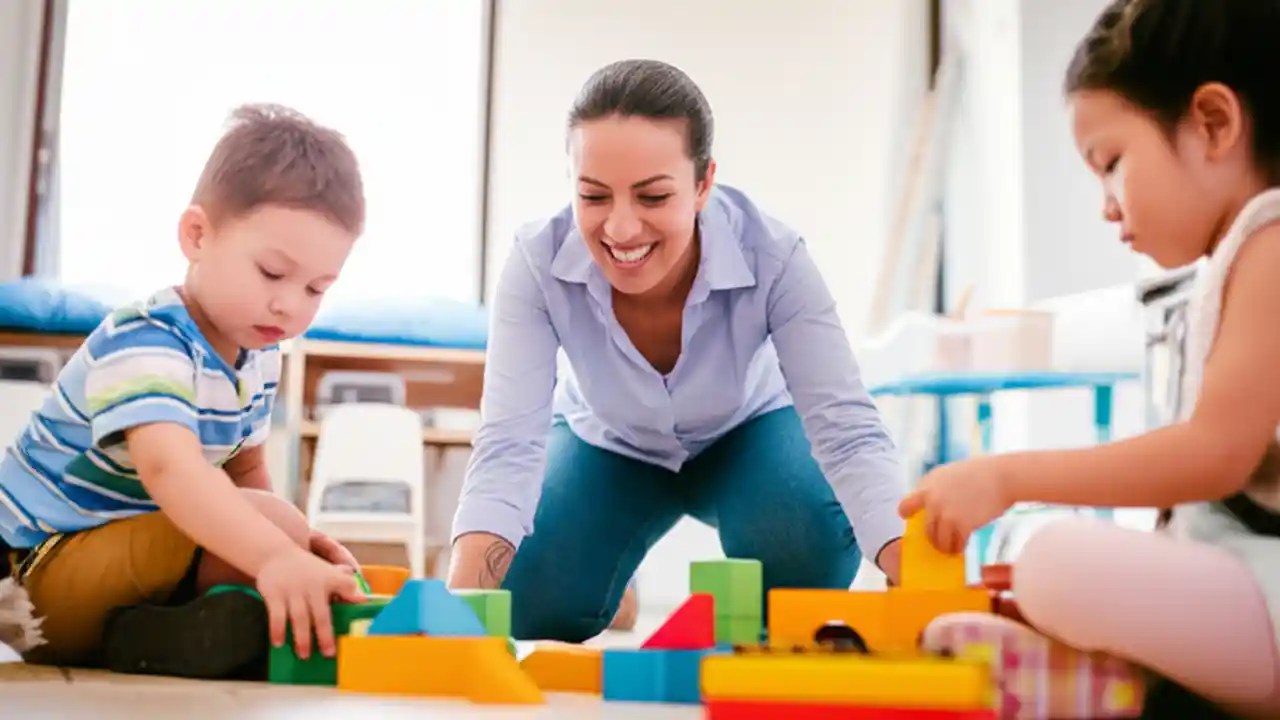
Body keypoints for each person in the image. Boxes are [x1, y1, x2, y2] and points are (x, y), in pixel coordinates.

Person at [902, 1, 1280, 717]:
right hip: (1250, 595)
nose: (1107, 206)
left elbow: (1215, 455)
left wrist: (1009, 475)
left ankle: (1122, 682)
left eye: (1112, 164)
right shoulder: (1229, 262)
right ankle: (1108, 672)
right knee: (1043, 568)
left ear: (1213, 124)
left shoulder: (1273, 241)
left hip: (1268, 603)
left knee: (1054, 559)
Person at [447, 58, 907, 641]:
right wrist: (459, 612)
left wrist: (915, 577)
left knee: (798, 554)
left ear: (703, 184)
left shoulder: (777, 256)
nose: (620, 228)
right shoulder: (536, 263)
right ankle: (611, 586)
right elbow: (509, 442)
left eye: (652, 197)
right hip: (608, 441)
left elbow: (847, 427)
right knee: (528, 601)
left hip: (750, 436)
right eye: (593, 196)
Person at [0, 103, 367, 675]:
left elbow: (246, 476)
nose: (290, 304)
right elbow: (172, 472)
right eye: (272, 273)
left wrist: (296, 549)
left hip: (124, 569)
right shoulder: (146, 340)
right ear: (197, 235)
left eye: (317, 289)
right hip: (37, 579)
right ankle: (152, 632)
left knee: (280, 531)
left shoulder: (258, 356)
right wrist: (274, 553)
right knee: (273, 531)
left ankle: (155, 638)